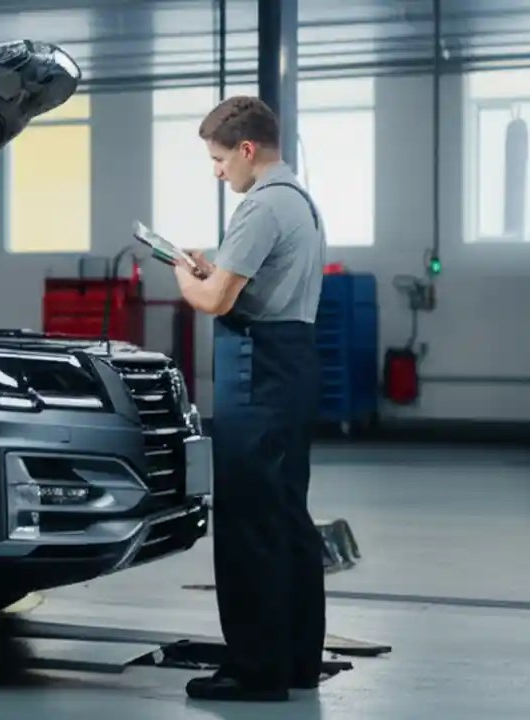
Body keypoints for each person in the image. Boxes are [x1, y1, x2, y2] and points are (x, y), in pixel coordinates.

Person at [171, 96, 328, 702]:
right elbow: (245, 280)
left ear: (246, 149)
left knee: (248, 521)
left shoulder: (262, 207)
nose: (217, 172)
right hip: (289, 366)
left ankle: (253, 671)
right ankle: (294, 661)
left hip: (258, 372)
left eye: (218, 159)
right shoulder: (300, 201)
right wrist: (215, 270)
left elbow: (215, 301)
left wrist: (183, 273)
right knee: (286, 516)